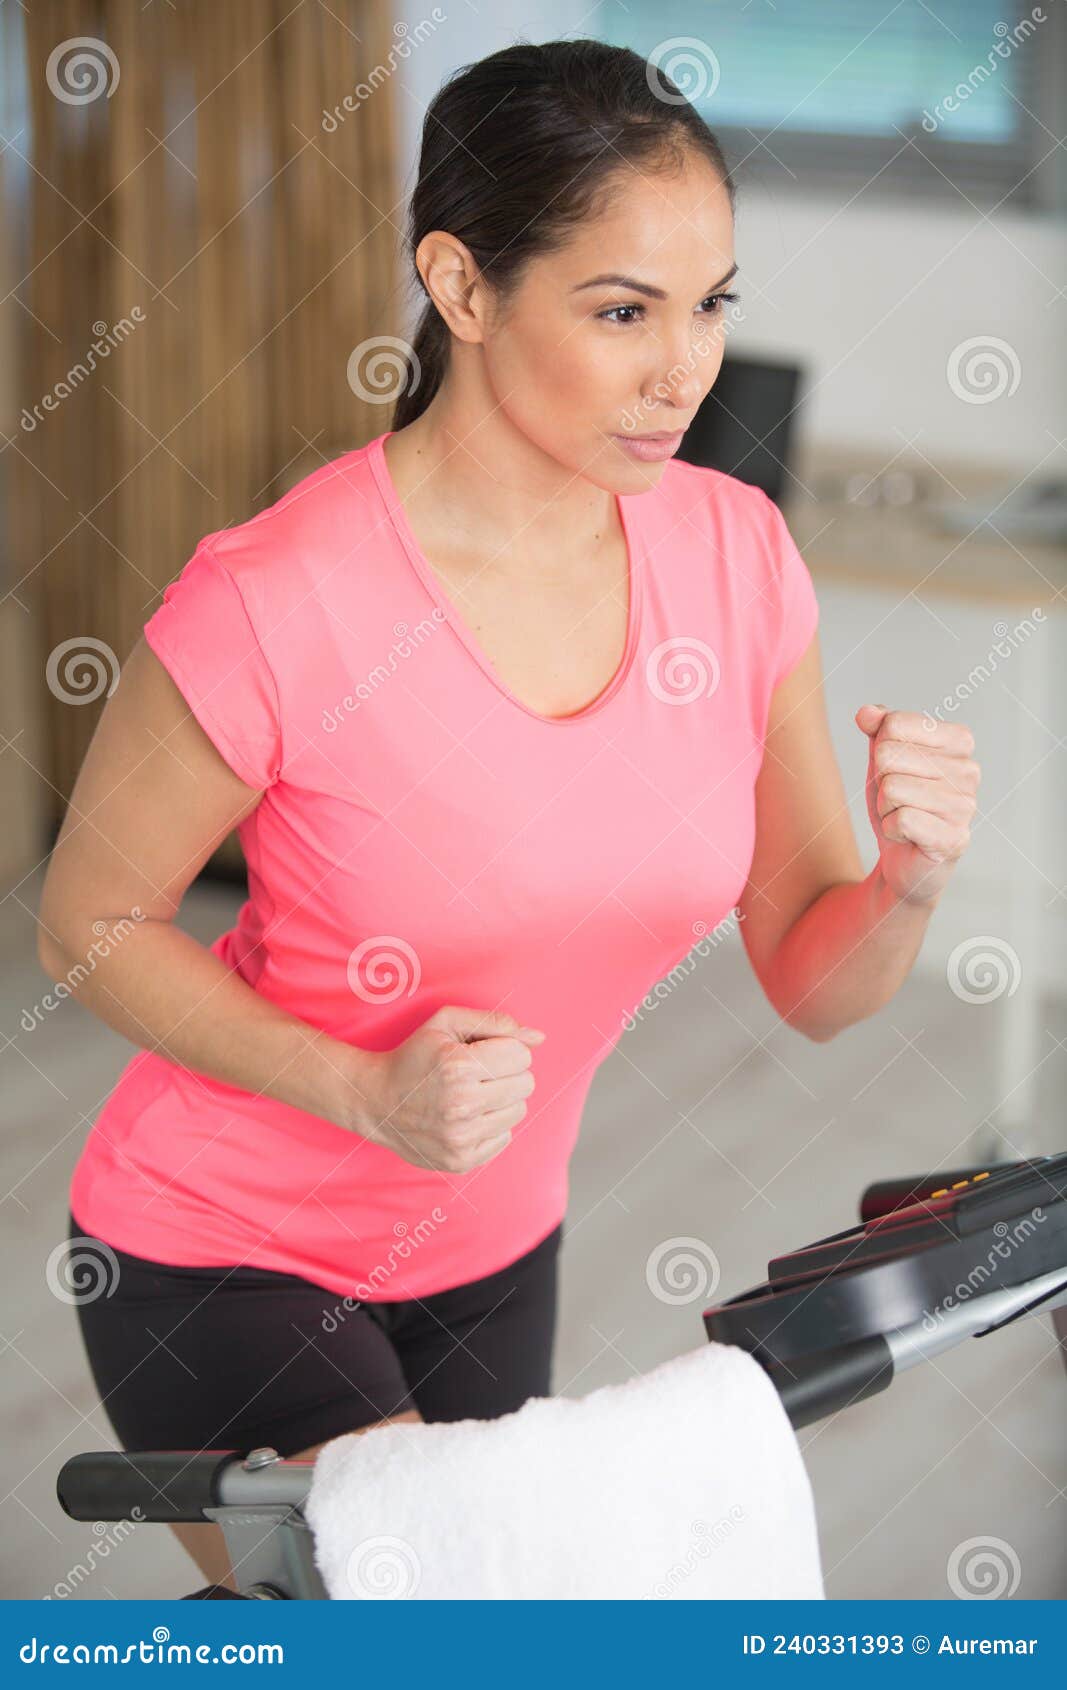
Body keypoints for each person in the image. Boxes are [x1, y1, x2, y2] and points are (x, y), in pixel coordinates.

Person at [38, 37, 976, 1595]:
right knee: (427, 1626)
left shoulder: (738, 559)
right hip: (220, 1243)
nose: (685, 368)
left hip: (491, 1252)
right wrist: (362, 1089)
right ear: (462, 287)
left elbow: (813, 977)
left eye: (711, 304)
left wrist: (911, 885)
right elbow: (83, 921)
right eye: (621, 311)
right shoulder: (278, 598)